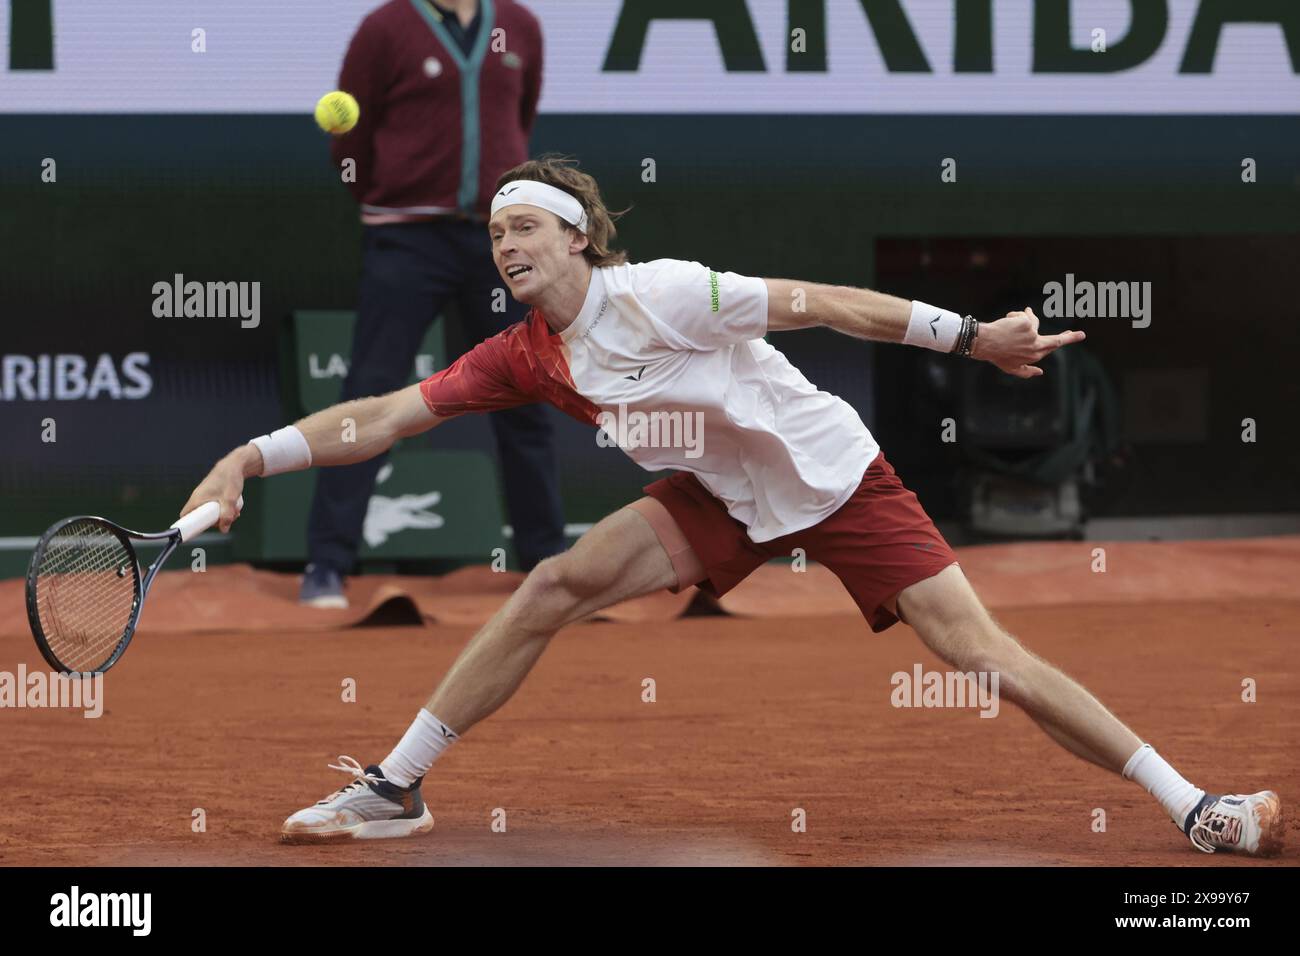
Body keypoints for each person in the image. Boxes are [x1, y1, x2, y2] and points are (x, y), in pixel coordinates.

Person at [183, 156, 1283, 857]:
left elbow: (830, 303)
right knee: (553, 583)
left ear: (577, 236)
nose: (506, 245)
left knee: (980, 654)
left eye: (525, 226)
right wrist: (248, 454)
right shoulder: (521, 352)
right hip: (717, 495)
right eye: (494, 234)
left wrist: (972, 336)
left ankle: (1192, 805)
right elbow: (380, 417)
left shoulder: (664, 292)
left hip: (832, 479)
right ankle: (394, 788)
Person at [302, 0, 564, 608]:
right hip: (405, 239)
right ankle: (327, 566)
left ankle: (549, 567)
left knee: (527, 389)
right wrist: (386, 199)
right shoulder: (384, 28)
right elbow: (349, 137)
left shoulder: (520, 26)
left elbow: (520, 117)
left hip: (500, 240)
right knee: (370, 394)